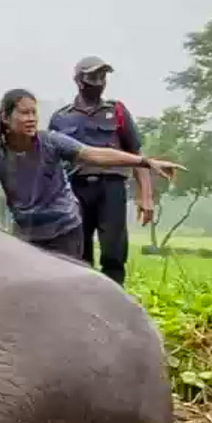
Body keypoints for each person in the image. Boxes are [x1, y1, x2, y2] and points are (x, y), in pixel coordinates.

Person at [0, 89, 183, 259]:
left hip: (64, 230)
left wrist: (145, 162)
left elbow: (94, 155)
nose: (31, 118)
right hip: (26, 237)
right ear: (5, 117)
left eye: (33, 112)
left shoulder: (51, 142)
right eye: (24, 113)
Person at [48, 56, 154, 285]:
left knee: (113, 253)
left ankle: (115, 302)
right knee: (78, 254)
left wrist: (145, 197)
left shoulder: (116, 111)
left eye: (102, 76)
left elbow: (137, 156)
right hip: (75, 189)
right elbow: (50, 162)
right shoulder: (61, 118)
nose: (99, 81)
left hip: (111, 188)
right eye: (93, 76)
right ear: (78, 81)